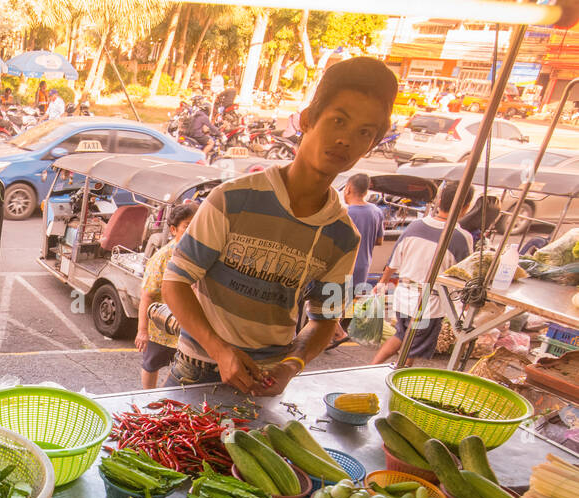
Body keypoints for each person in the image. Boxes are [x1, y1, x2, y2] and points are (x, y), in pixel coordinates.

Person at [161, 56, 398, 394]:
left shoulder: (344, 236)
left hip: (267, 378)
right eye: (338, 120)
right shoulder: (232, 199)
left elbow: (325, 319)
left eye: (364, 132)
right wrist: (220, 350)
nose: (346, 140)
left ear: (372, 145)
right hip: (197, 369)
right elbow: (175, 283)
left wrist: (292, 365)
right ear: (307, 120)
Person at [370, 182, 472, 365]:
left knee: (402, 335)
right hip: (428, 303)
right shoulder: (461, 237)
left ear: (439, 201)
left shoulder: (414, 226)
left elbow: (393, 261)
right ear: (465, 208)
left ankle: (372, 369)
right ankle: (393, 378)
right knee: (412, 347)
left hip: (403, 295)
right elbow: (466, 275)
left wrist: (382, 283)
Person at [136, 202, 199, 389]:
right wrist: (142, 331)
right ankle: (148, 399)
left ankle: (165, 400)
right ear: (173, 229)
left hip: (186, 329)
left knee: (183, 369)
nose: (193, 231)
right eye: (187, 226)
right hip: (161, 329)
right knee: (151, 365)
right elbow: (147, 296)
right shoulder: (163, 257)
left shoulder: (200, 255)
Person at [333, 171, 384, 345]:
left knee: (330, 305)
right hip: (363, 267)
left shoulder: (344, 212)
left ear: (347, 189)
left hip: (343, 266)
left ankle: (334, 335)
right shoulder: (377, 212)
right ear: (366, 191)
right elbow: (379, 240)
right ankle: (339, 333)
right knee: (346, 304)